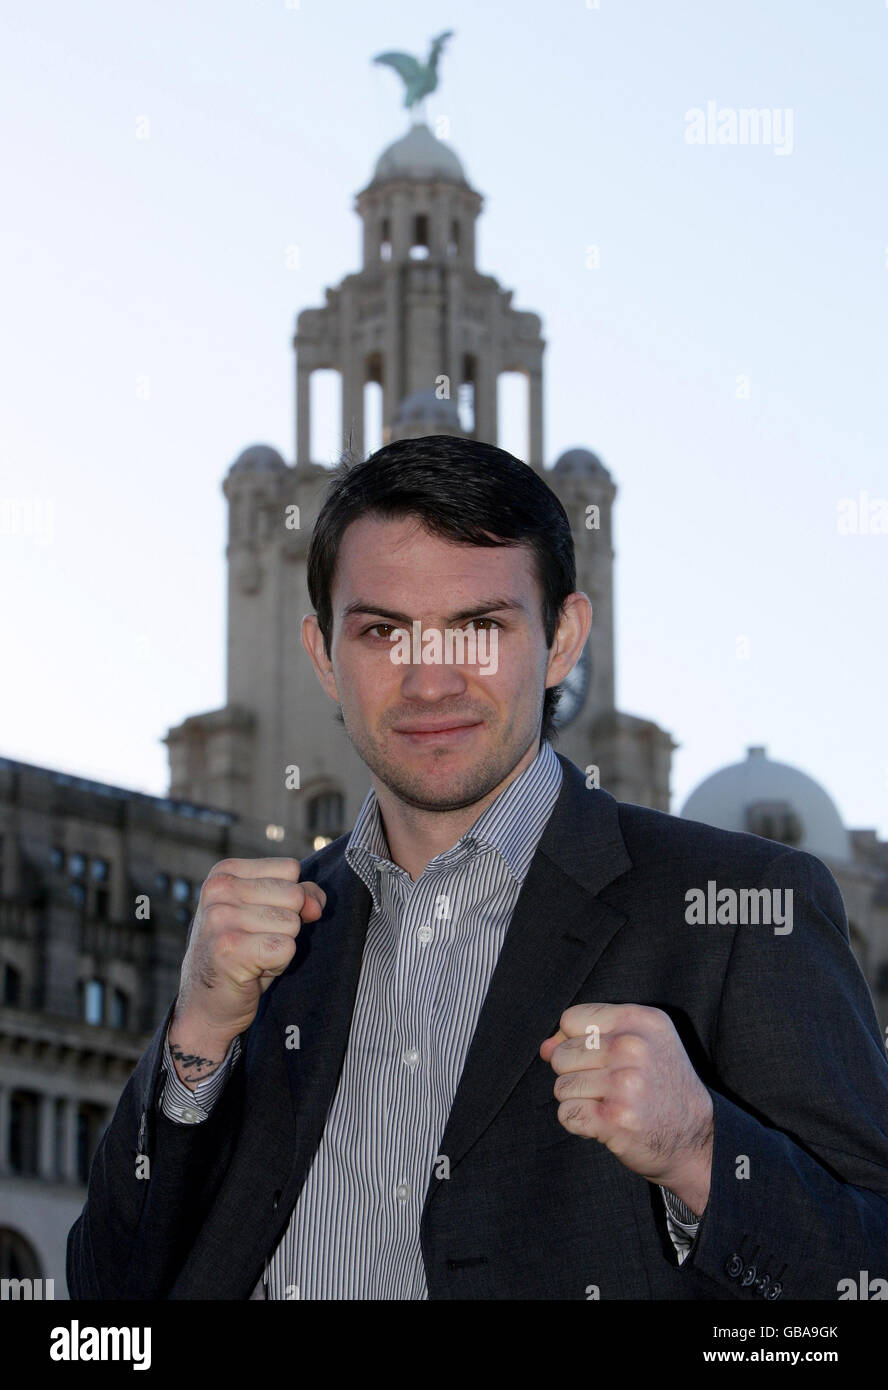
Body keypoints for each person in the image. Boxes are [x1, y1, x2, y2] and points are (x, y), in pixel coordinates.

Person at [68, 435, 888, 1299]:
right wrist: (197, 1036)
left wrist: (703, 1154)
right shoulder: (261, 958)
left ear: (563, 639)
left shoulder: (742, 909)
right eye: (384, 631)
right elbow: (103, 1305)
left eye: (479, 628)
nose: (430, 682)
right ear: (323, 657)